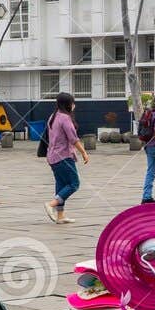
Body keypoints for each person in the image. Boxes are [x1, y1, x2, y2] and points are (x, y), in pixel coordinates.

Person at [43, 91, 89, 223]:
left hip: (52, 156)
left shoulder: (53, 116)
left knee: (61, 184)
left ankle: (60, 215)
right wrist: (84, 152)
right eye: (72, 102)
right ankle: (51, 205)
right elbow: (73, 139)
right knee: (74, 184)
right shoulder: (65, 118)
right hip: (63, 156)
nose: (74, 105)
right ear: (68, 104)